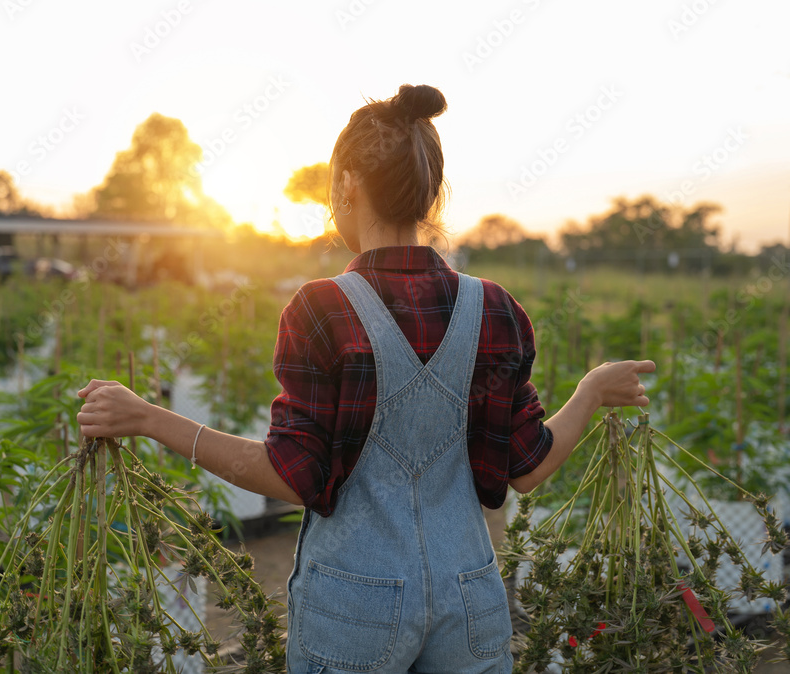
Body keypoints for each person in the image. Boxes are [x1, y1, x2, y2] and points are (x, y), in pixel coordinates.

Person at [76, 84, 655, 673]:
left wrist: (149, 418)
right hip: (470, 597)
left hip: (354, 601)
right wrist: (590, 391)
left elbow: (292, 475)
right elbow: (527, 467)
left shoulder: (322, 309)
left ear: (348, 184)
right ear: (431, 192)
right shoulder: (495, 309)